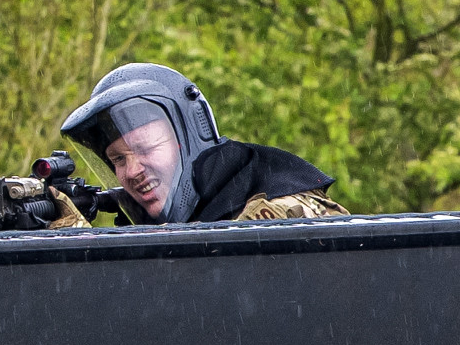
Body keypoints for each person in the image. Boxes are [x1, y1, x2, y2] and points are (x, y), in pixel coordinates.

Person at [59, 64, 347, 225]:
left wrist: (85, 254)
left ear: (187, 143)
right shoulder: (166, 228)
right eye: (118, 159)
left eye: (146, 149)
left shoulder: (280, 210)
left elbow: (203, 310)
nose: (132, 171)